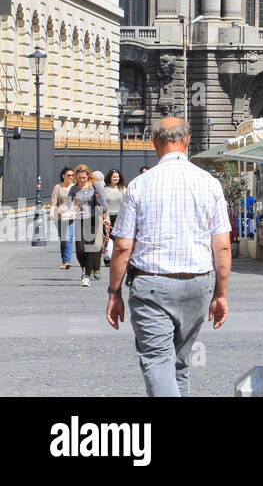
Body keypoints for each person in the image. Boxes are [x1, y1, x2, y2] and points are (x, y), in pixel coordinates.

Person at [105, 118, 231, 397]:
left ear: (154, 144)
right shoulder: (209, 183)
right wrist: (221, 293)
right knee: (179, 363)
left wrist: (114, 292)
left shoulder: (139, 185)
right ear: (187, 141)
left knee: (158, 362)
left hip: (152, 285)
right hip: (198, 284)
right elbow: (222, 246)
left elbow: (123, 246)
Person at [69, 166, 108, 285]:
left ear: (88, 176)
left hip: (93, 218)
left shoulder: (96, 187)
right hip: (79, 219)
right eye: (80, 178)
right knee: (80, 250)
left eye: (84, 177)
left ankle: (87, 276)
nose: (82, 180)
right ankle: (84, 268)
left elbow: (104, 205)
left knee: (90, 248)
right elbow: (68, 204)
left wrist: (106, 218)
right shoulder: (73, 189)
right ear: (76, 177)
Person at [52, 168, 76, 270]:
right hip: (61, 216)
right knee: (63, 239)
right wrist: (52, 211)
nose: (71, 177)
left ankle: (67, 261)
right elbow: (54, 201)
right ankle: (64, 260)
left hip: (72, 216)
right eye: (68, 175)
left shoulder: (75, 187)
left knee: (69, 239)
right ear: (63, 176)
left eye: (72, 175)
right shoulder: (58, 187)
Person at [103, 170, 127, 262]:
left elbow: (128, 201)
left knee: (117, 238)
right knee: (108, 237)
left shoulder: (122, 188)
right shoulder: (105, 189)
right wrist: (105, 216)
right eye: (114, 177)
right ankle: (107, 257)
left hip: (119, 216)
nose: (116, 178)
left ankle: (115, 257)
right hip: (108, 216)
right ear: (109, 178)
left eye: (117, 177)